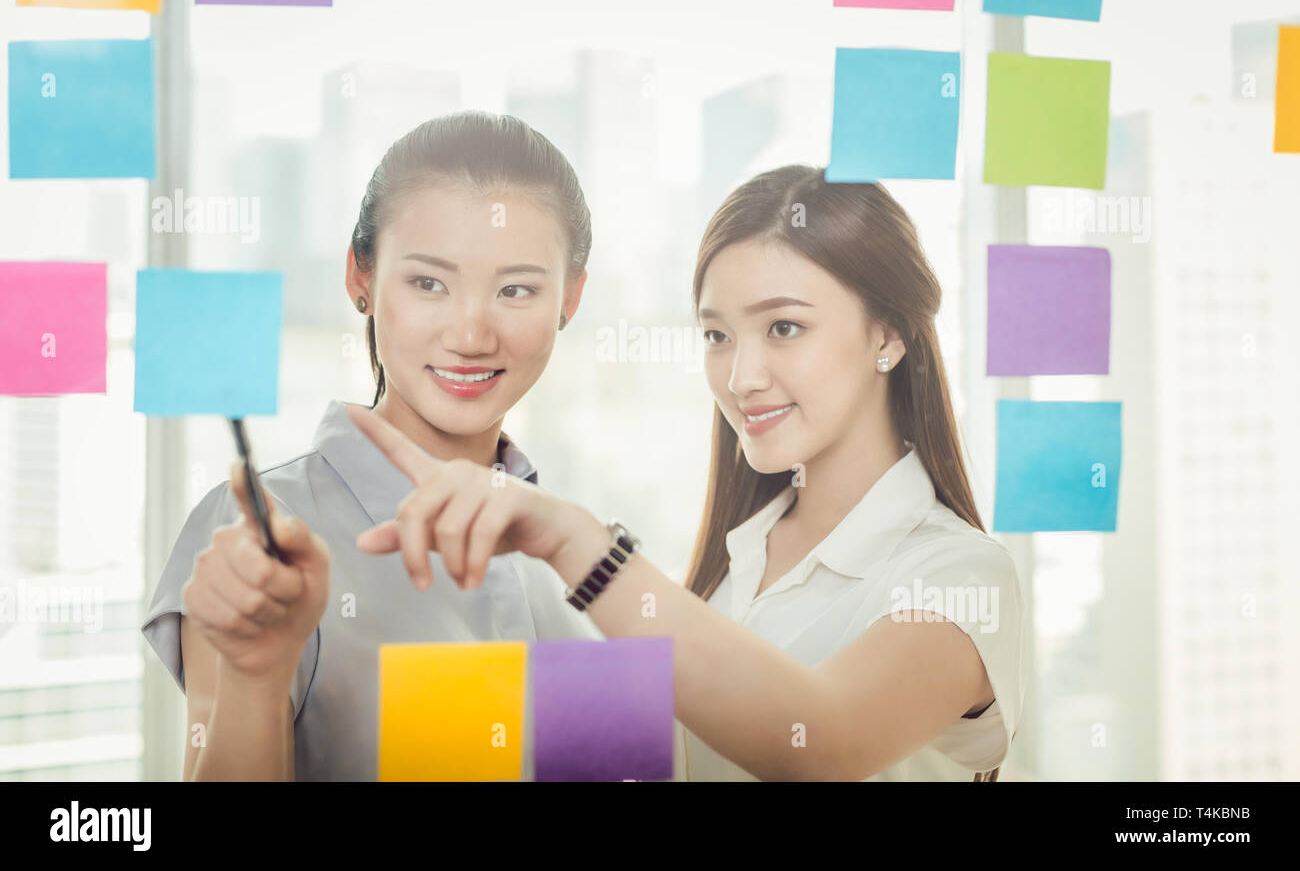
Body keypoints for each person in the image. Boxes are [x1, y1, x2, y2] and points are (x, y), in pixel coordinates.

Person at [347, 164, 1026, 781]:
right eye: (717, 336)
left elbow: (820, 740)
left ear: (887, 335)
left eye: (784, 328)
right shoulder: (723, 579)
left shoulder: (961, 577)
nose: (742, 377)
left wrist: (574, 540)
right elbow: (587, 759)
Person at [140, 111, 608, 781]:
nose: (471, 335)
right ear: (360, 277)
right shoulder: (266, 529)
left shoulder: (576, 556)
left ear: (570, 296)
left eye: (516, 289)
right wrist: (254, 677)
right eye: (428, 283)